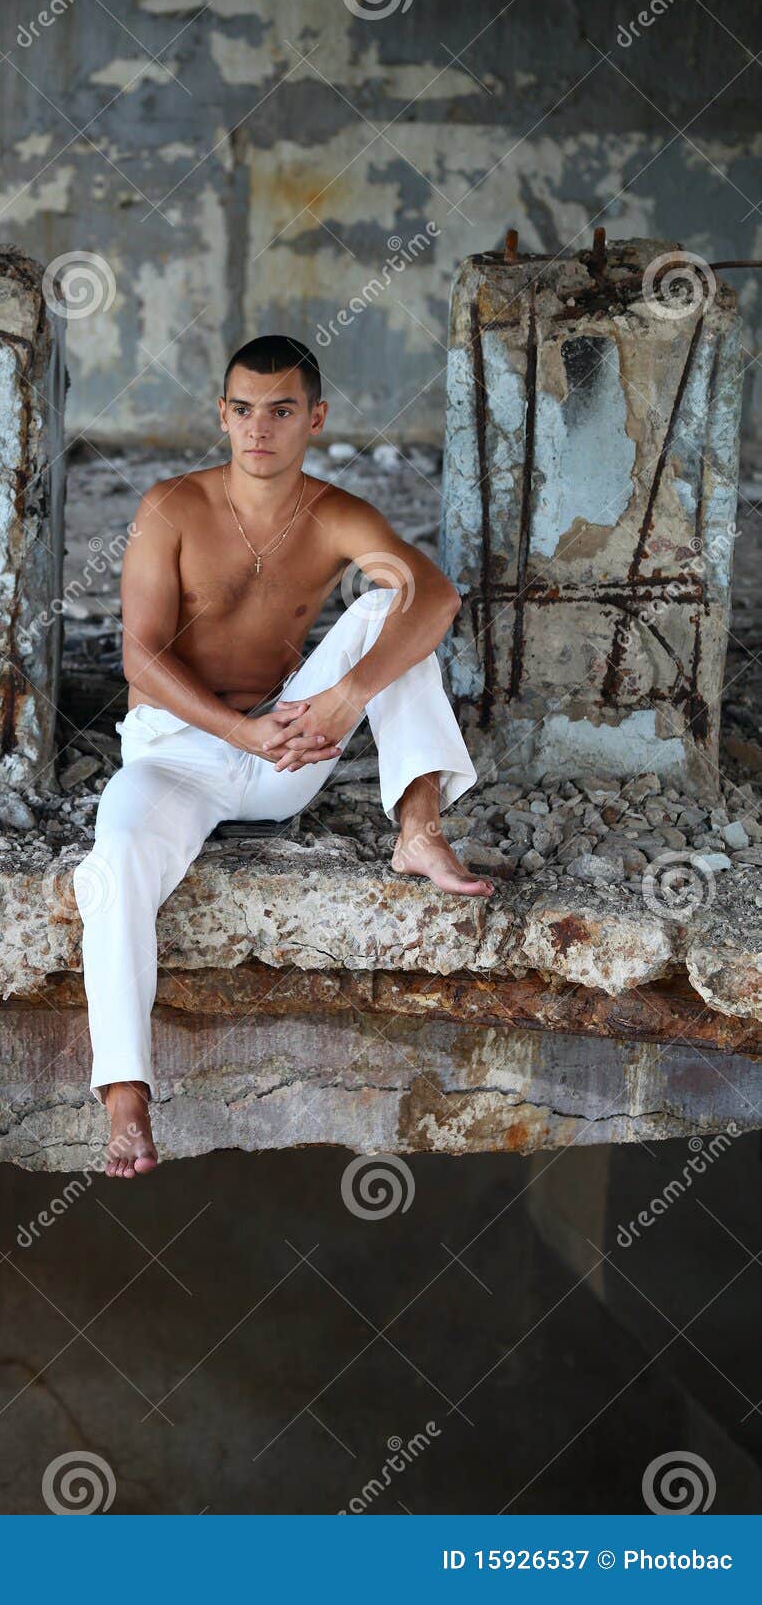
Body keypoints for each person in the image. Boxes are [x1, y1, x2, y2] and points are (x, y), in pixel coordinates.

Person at [73, 335, 492, 1179]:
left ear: (314, 419)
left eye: (279, 411)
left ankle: (417, 827)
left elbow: (437, 595)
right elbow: (140, 657)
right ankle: (125, 1092)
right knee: (114, 856)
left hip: (289, 745)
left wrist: (342, 698)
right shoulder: (171, 506)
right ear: (221, 416)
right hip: (176, 760)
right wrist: (237, 734)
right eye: (241, 410)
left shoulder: (334, 513)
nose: (257, 430)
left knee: (394, 609)